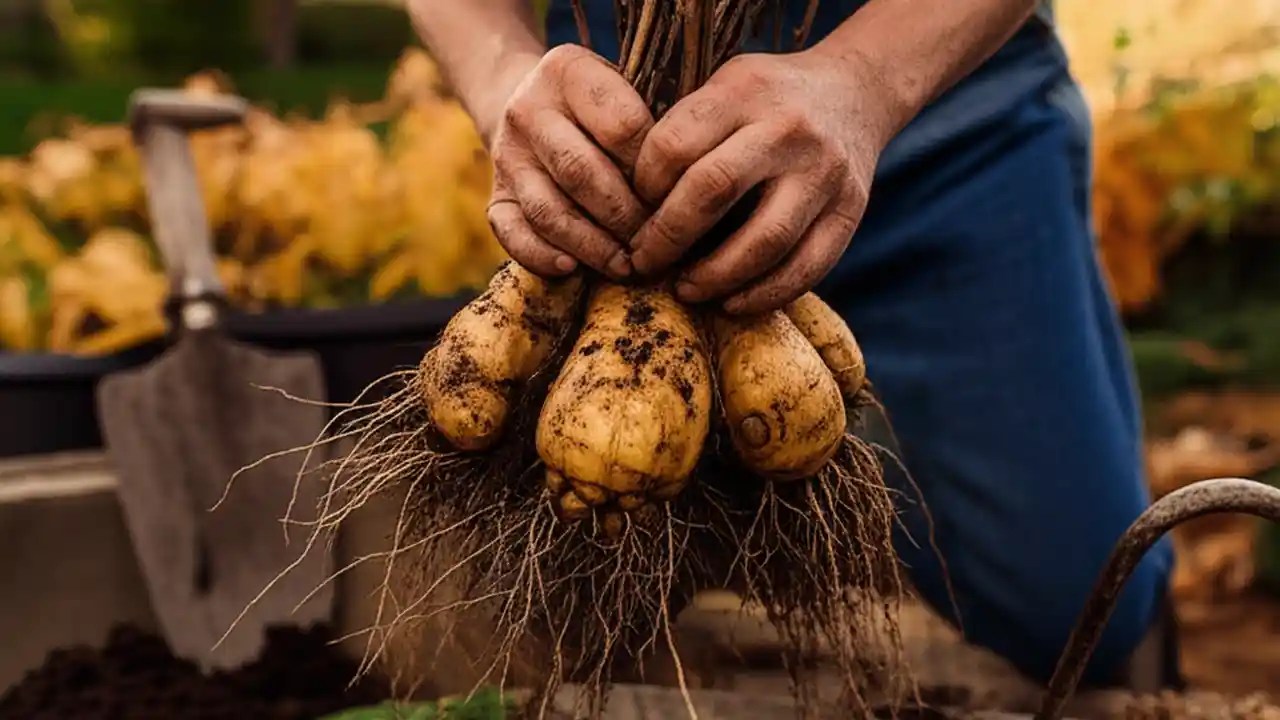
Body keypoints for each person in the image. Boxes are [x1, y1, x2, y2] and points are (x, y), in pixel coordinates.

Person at [407, 0, 1178, 691]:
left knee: (1078, 611)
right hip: (625, 147)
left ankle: (827, 438)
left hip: (950, 105)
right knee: (566, 592)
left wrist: (867, 81)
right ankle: (759, 459)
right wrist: (501, 72)